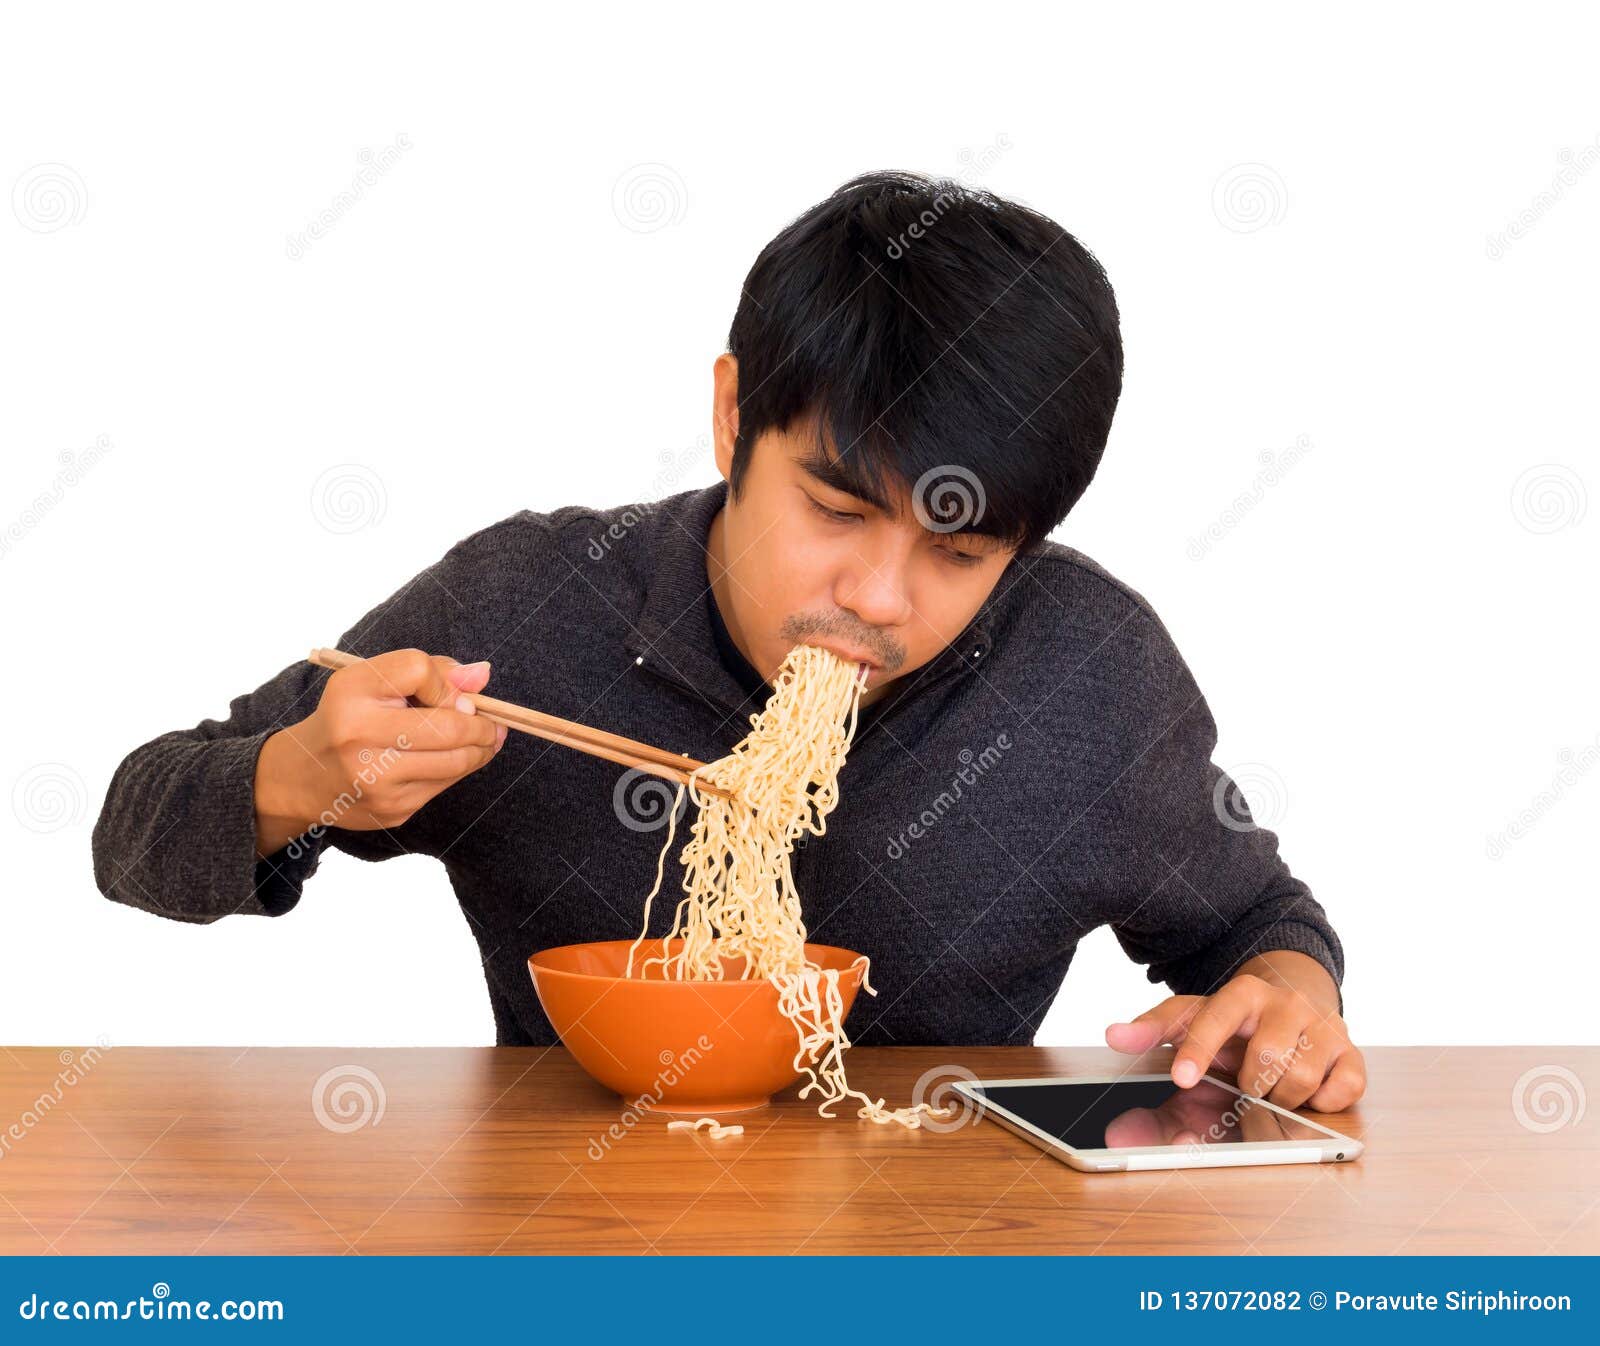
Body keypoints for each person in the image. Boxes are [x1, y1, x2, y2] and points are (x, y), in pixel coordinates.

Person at [93, 170, 1365, 1112]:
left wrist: (1288, 1000)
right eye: (836, 511)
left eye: (960, 551)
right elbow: (133, 829)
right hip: (574, 1241)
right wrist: (297, 780)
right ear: (731, 415)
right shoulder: (526, 609)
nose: (880, 596)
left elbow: (1256, 921)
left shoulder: (1088, 670)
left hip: (954, 1252)